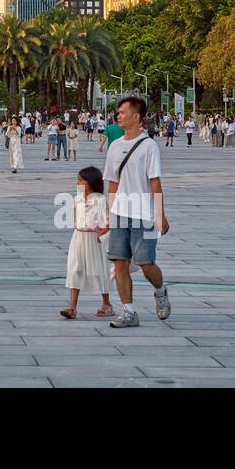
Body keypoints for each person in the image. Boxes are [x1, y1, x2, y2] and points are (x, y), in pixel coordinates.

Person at [103, 97, 171, 329]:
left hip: (144, 214)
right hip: (120, 212)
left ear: (136, 117)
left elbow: (155, 181)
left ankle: (160, 291)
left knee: (146, 263)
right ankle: (129, 311)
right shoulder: (114, 146)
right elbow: (112, 182)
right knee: (119, 264)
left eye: (122, 112)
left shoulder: (149, 146)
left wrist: (160, 214)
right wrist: (108, 212)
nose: (118, 116)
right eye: (117, 112)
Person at [60, 166, 115, 320]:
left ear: (90, 182)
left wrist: (102, 234)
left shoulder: (100, 200)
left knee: (99, 270)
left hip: (94, 239)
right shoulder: (77, 199)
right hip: (78, 237)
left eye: (81, 180)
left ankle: (107, 304)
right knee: (75, 268)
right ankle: (72, 307)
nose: (78, 183)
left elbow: (108, 221)